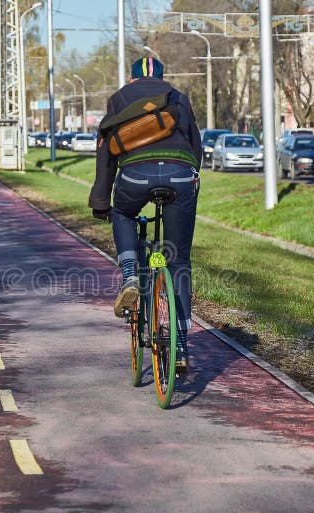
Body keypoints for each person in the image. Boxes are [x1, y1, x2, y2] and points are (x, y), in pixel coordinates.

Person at [89, 57, 202, 373]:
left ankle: (130, 275)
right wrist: (192, 175)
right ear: (163, 77)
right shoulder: (178, 97)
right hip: (180, 174)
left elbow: (106, 149)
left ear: (132, 77)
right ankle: (179, 344)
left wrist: (101, 199)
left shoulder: (119, 99)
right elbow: (196, 144)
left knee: (123, 213)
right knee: (178, 261)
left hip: (135, 175)